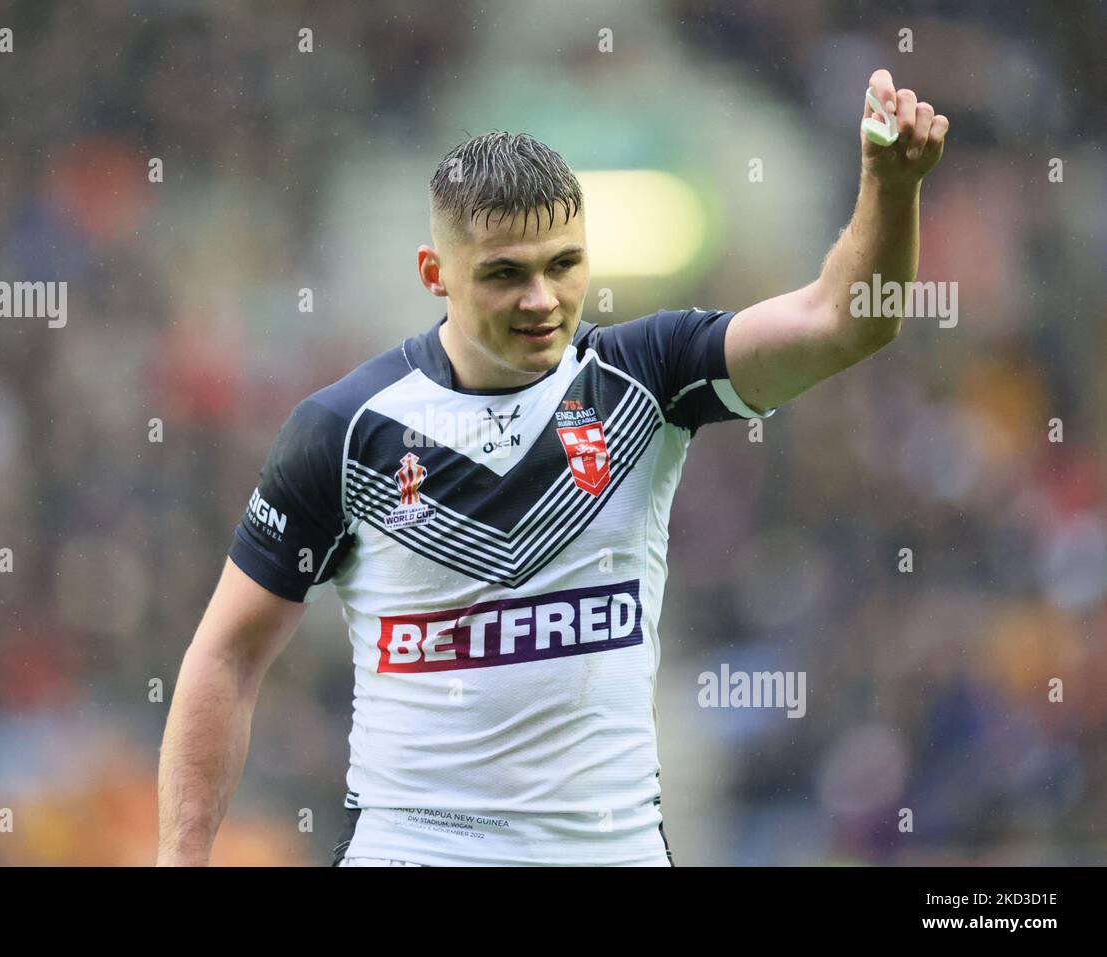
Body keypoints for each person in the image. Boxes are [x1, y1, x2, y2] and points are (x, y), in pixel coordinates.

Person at [157, 68, 948, 867]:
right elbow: (227, 652)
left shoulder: (648, 375)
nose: (542, 298)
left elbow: (848, 320)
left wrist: (890, 188)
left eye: (564, 264)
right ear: (436, 274)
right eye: (505, 273)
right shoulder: (343, 430)